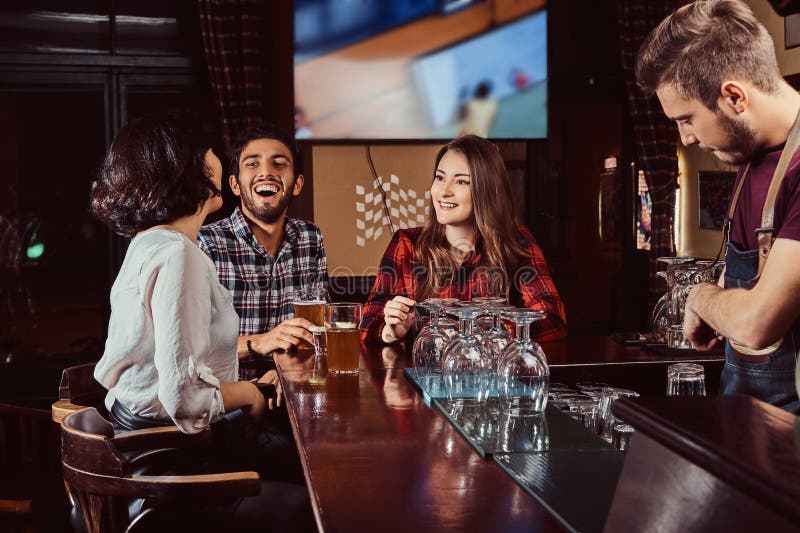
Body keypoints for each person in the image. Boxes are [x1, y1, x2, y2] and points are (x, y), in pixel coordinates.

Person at [90, 111, 315, 531]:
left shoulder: (150, 243)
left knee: (292, 458)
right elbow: (184, 399)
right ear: (187, 168)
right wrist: (247, 393)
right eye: (208, 150)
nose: (217, 155)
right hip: (169, 471)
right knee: (312, 500)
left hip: (145, 447)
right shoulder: (179, 255)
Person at [637, 0, 800, 412]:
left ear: (734, 96)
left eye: (686, 119)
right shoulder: (750, 159)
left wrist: (699, 297)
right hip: (746, 417)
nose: (686, 138)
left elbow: (756, 323)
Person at [361, 134, 567, 344]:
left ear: (486, 191)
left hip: (491, 375)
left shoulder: (515, 241)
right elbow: (367, 325)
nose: (444, 191)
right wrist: (392, 331)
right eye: (440, 178)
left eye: (461, 181)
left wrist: (490, 333)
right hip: (423, 375)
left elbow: (553, 319)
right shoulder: (407, 243)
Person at [198, 124, 328, 382]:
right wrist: (258, 343)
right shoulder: (206, 242)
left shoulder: (310, 238)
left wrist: (287, 372)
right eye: (252, 164)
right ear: (234, 185)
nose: (266, 172)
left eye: (279, 164)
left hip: (292, 392)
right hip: (224, 403)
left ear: (297, 184)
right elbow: (189, 350)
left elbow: (317, 333)